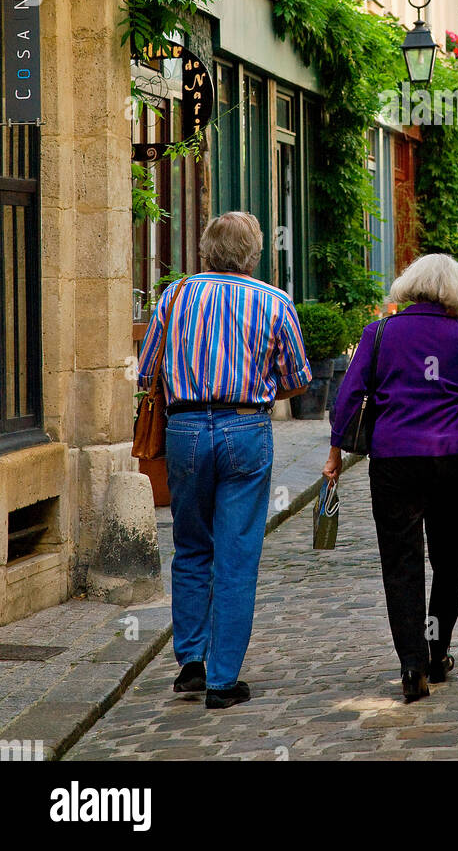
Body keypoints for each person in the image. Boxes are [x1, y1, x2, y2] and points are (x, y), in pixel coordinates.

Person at [136, 211, 311, 709]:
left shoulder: (173, 297)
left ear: (205, 250)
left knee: (191, 546)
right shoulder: (273, 301)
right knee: (237, 554)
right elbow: (298, 379)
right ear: (253, 254)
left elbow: (148, 370)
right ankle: (222, 679)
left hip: (185, 429)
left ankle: (191, 662)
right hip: (244, 427)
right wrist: (254, 384)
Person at [324, 253, 458, 703]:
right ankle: (437, 650)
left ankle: (412, 664)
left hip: (394, 460)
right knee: (447, 559)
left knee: (401, 562)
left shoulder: (379, 333)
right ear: (454, 292)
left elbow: (348, 398)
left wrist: (334, 452)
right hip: (451, 458)